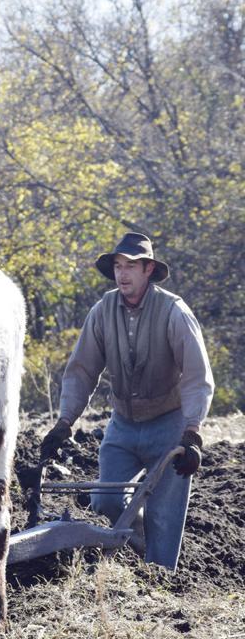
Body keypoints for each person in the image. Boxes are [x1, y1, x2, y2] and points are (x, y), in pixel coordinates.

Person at [39, 232, 213, 570]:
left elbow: (196, 375)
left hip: (169, 424)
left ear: (148, 269)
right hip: (123, 426)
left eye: (131, 266)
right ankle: (139, 538)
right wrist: (65, 421)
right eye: (118, 266)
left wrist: (192, 432)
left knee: (165, 514)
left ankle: (160, 582)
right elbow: (81, 370)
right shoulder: (103, 311)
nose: (122, 274)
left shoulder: (174, 312)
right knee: (104, 501)